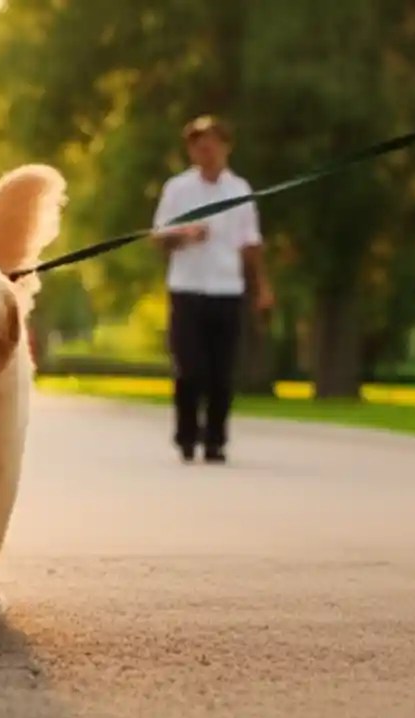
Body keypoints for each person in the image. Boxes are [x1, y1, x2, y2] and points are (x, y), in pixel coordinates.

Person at [152, 115, 273, 464]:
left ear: (225, 147)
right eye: (199, 146)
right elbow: (158, 236)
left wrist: (261, 287)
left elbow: (250, 244)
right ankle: (187, 435)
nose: (206, 152)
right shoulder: (178, 190)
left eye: (212, 146)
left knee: (222, 371)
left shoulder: (239, 190)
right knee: (190, 368)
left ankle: (216, 440)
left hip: (226, 288)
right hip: (187, 288)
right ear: (191, 150)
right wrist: (184, 234)